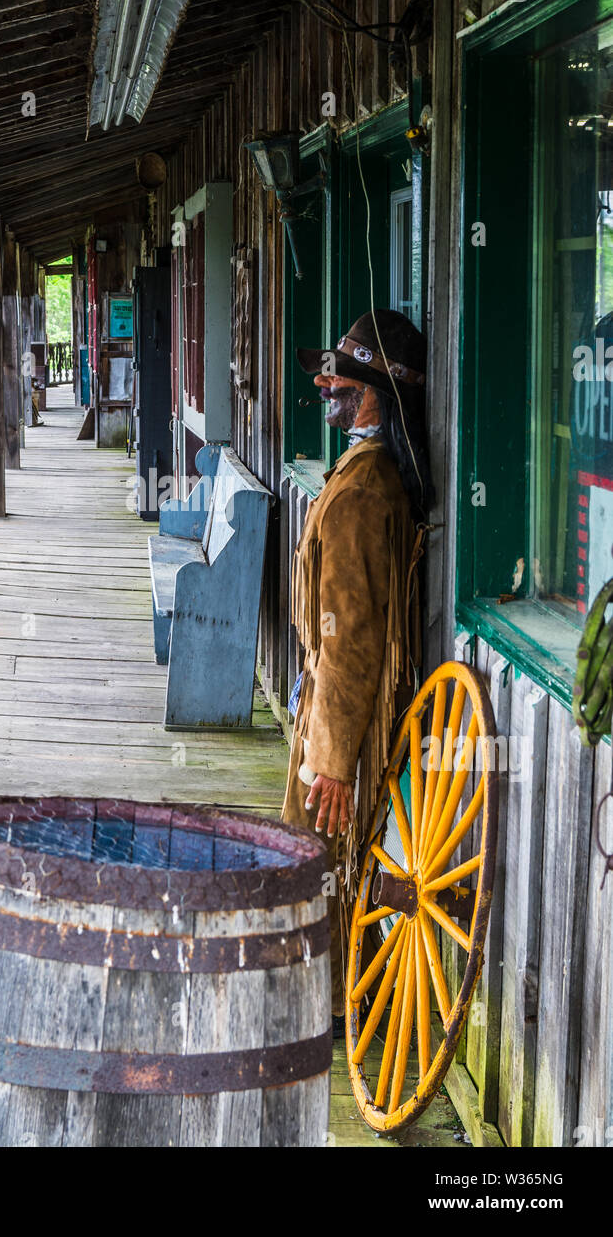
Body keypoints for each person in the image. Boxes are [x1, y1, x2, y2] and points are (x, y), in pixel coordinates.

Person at [282, 308, 433, 1027]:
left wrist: (333, 761)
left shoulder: (364, 492)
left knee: (318, 860)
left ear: (375, 391)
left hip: (339, 718)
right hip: (327, 704)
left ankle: (326, 1008)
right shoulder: (362, 472)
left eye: (339, 373)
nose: (324, 380)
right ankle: (329, 997)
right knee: (318, 862)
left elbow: (350, 641)